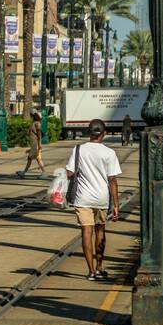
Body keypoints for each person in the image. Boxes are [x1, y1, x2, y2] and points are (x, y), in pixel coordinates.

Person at [66, 118, 122, 282]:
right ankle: (99, 267)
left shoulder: (78, 150)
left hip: (83, 198)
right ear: (103, 134)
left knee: (86, 232)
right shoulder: (109, 153)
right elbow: (112, 180)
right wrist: (116, 206)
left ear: (89, 133)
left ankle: (91, 271)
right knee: (100, 231)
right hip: (101, 199)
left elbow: (69, 173)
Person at [18, 110, 45, 177]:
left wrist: (39, 144)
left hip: (36, 144)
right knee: (38, 159)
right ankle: (44, 173)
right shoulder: (33, 123)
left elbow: (39, 135)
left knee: (30, 158)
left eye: (30, 115)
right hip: (34, 145)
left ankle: (23, 173)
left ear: (32, 115)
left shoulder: (37, 123)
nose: (30, 116)